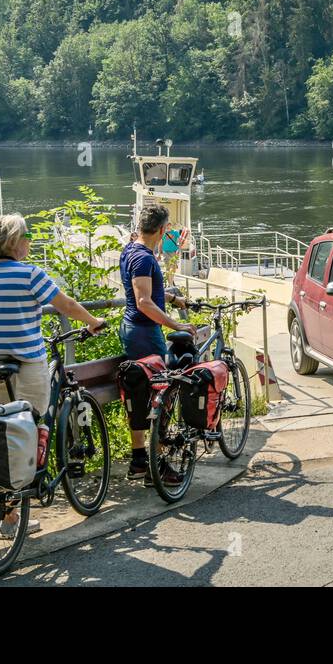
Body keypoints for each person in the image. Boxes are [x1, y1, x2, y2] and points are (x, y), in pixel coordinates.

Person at [0, 213, 105, 538]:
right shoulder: (30, 274)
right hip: (25, 365)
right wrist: (91, 321)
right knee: (30, 427)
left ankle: (0, 510)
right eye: (26, 236)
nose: (30, 241)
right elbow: (65, 305)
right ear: (15, 242)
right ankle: (14, 512)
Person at [119, 202, 196, 481]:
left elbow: (146, 292)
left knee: (141, 394)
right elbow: (143, 301)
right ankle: (157, 464)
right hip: (144, 332)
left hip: (134, 329)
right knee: (158, 397)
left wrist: (172, 298)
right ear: (162, 229)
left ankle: (141, 461)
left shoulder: (130, 250)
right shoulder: (144, 258)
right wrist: (176, 323)